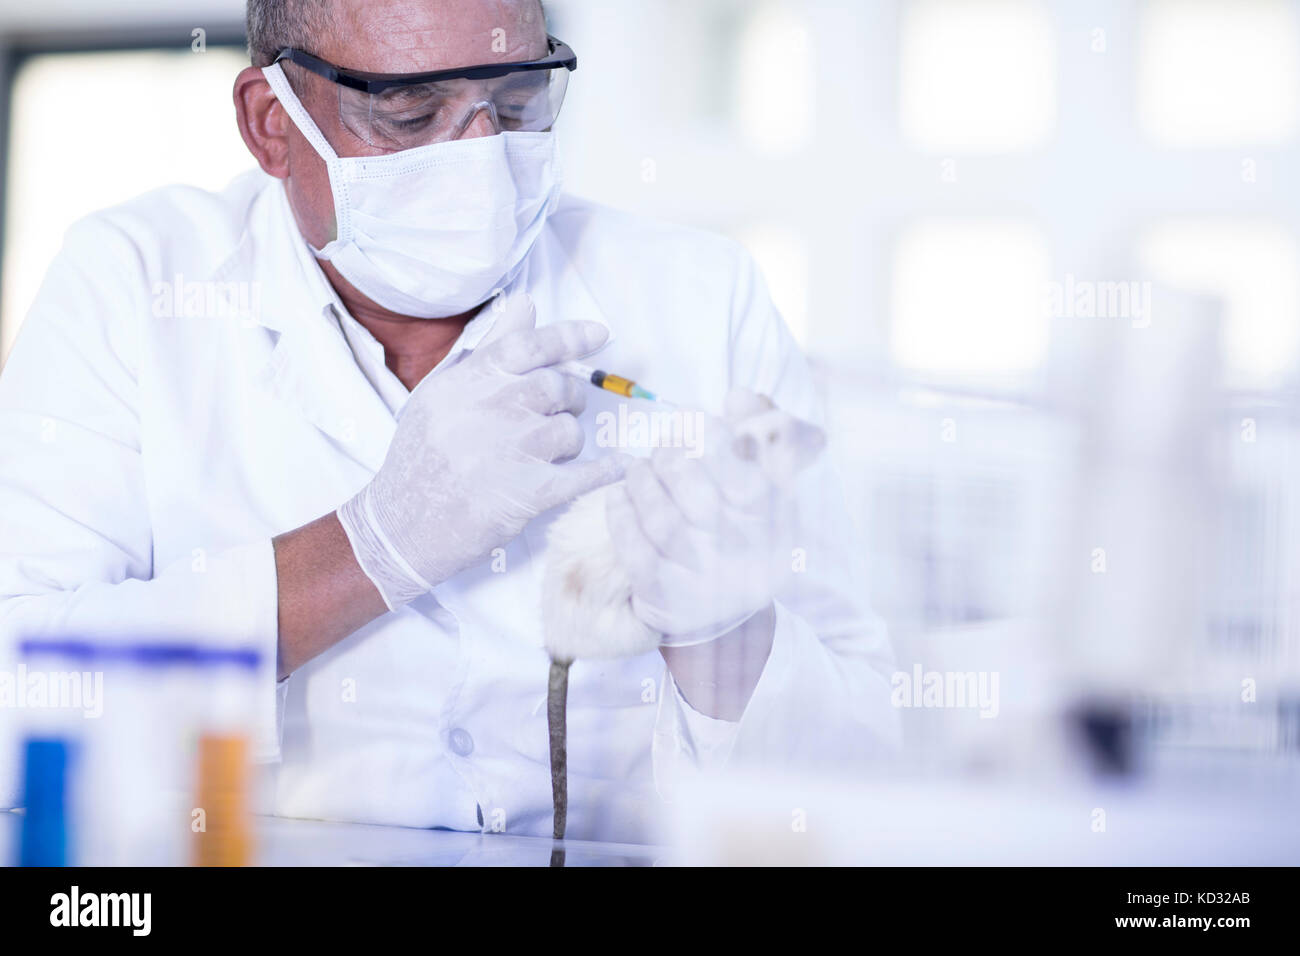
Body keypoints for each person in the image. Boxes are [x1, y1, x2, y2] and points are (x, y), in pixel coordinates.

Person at [0, 0, 897, 843]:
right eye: (409, 111)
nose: (478, 159)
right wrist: (373, 545)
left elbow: (867, 772)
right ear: (272, 123)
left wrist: (722, 632)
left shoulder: (702, 298)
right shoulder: (134, 285)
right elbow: (17, 708)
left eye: (514, 104)